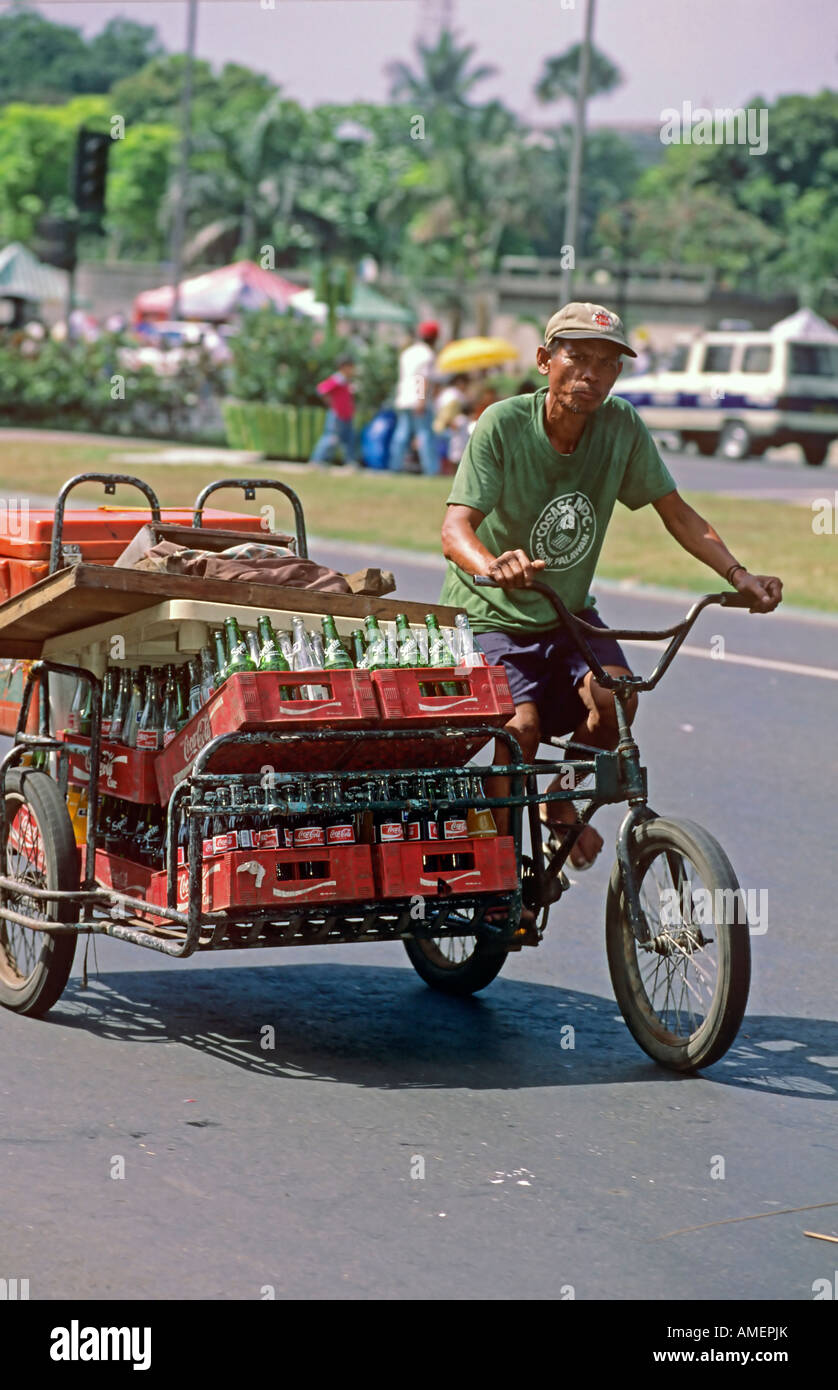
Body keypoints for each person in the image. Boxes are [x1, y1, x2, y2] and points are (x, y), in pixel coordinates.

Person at [439, 301, 782, 886]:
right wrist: (493, 564)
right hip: (488, 615)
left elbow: (676, 513)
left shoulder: (620, 427)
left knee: (617, 701)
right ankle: (495, 864)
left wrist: (738, 575)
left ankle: (560, 797)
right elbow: (454, 531)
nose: (591, 374)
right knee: (517, 731)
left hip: (567, 616)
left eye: (607, 363)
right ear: (546, 360)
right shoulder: (502, 423)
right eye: (577, 358)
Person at [388, 320, 441, 475]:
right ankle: (431, 469)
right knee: (424, 435)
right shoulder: (427, 354)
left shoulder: (408, 352)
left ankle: (394, 466)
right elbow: (421, 378)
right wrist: (422, 399)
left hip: (403, 398)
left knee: (402, 434)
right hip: (418, 399)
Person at [309, 356, 359, 468]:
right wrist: (330, 402)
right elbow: (321, 389)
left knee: (349, 439)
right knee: (331, 438)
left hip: (347, 415)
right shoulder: (338, 379)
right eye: (351, 367)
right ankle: (317, 460)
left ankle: (350, 462)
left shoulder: (346, 380)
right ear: (344, 367)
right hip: (337, 415)